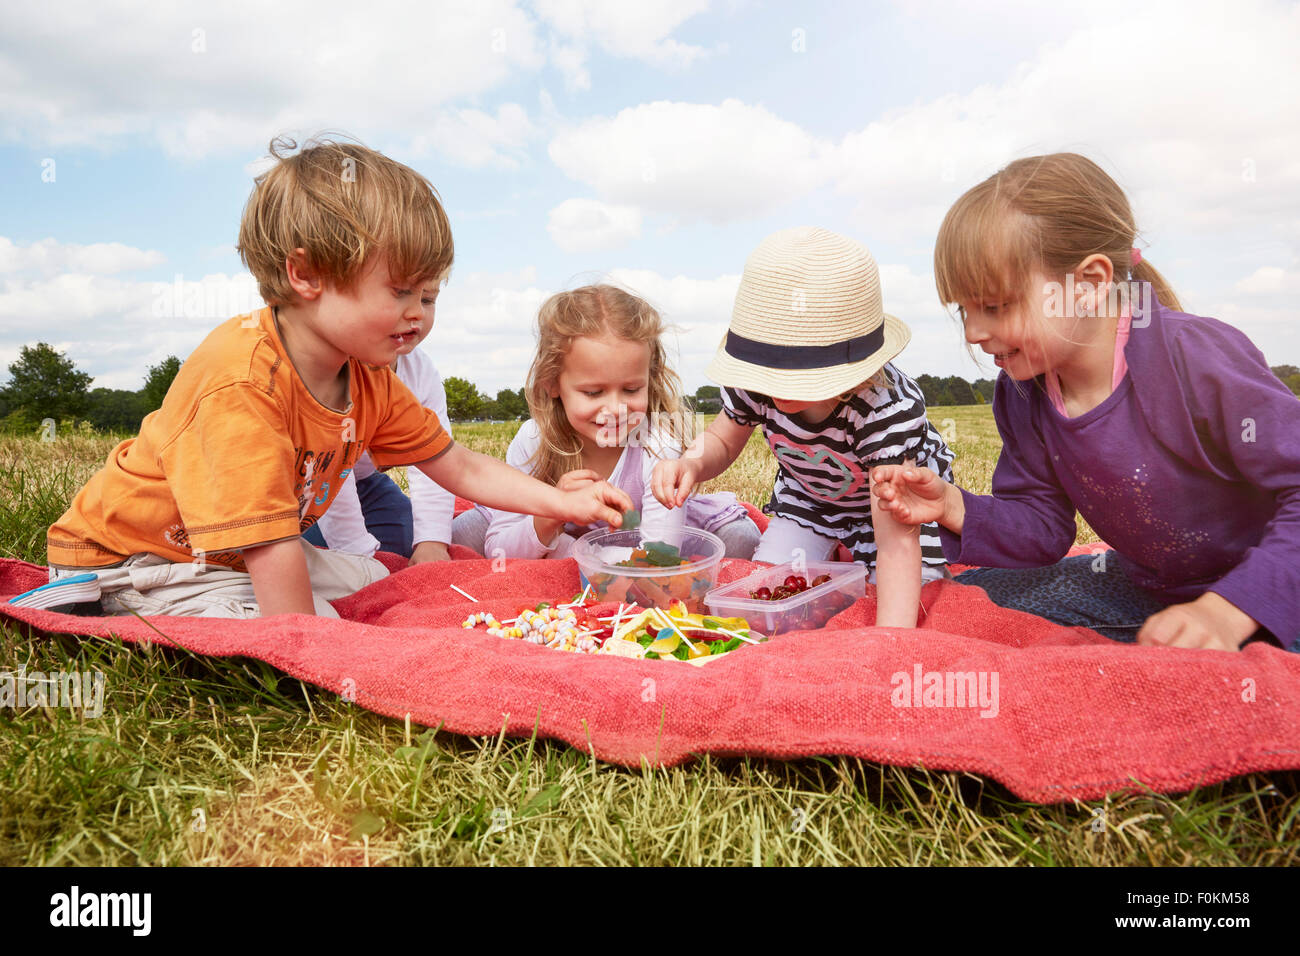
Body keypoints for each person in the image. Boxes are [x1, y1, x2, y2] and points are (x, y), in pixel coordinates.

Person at [43, 135, 631, 619]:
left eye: (429, 295)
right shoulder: (242, 379)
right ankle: (88, 601)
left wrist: (559, 499)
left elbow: (459, 465)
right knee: (314, 623)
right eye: (400, 291)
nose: (418, 314)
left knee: (374, 576)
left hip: (228, 555)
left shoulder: (366, 373)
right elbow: (271, 545)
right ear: (306, 274)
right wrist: (307, 645)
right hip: (134, 560)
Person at [870, 152, 1300, 652]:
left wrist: (1230, 611)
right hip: (1153, 593)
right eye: (963, 310)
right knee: (964, 602)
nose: (974, 332)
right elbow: (1042, 529)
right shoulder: (1023, 392)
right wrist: (952, 505)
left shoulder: (1197, 356)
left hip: (1275, 585)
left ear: (1090, 284)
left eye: (994, 306)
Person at [651, 227, 955, 629]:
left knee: (913, 597)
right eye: (767, 377)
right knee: (770, 588)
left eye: (796, 380)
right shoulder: (754, 381)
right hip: (808, 499)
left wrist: (890, 642)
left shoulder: (883, 410)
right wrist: (692, 463)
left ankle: (855, 559)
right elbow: (723, 439)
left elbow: (898, 542)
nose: (776, 391)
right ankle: (835, 553)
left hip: (896, 511)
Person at [452, 284, 760, 560]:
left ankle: (575, 560)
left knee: (740, 539)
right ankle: (573, 556)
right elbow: (500, 548)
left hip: (651, 537)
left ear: (648, 380)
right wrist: (553, 510)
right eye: (593, 392)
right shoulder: (534, 440)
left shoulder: (657, 442)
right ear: (551, 383)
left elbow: (660, 555)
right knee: (464, 531)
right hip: (564, 535)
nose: (615, 409)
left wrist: (595, 558)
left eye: (631, 389)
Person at [303, 325, 455, 565]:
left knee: (406, 534)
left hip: (366, 482)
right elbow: (330, 472)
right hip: (305, 486)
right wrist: (359, 557)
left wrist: (432, 542)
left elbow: (436, 458)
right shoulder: (330, 369)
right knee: (302, 549)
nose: (416, 312)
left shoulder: (420, 370)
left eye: (427, 300)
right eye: (396, 294)